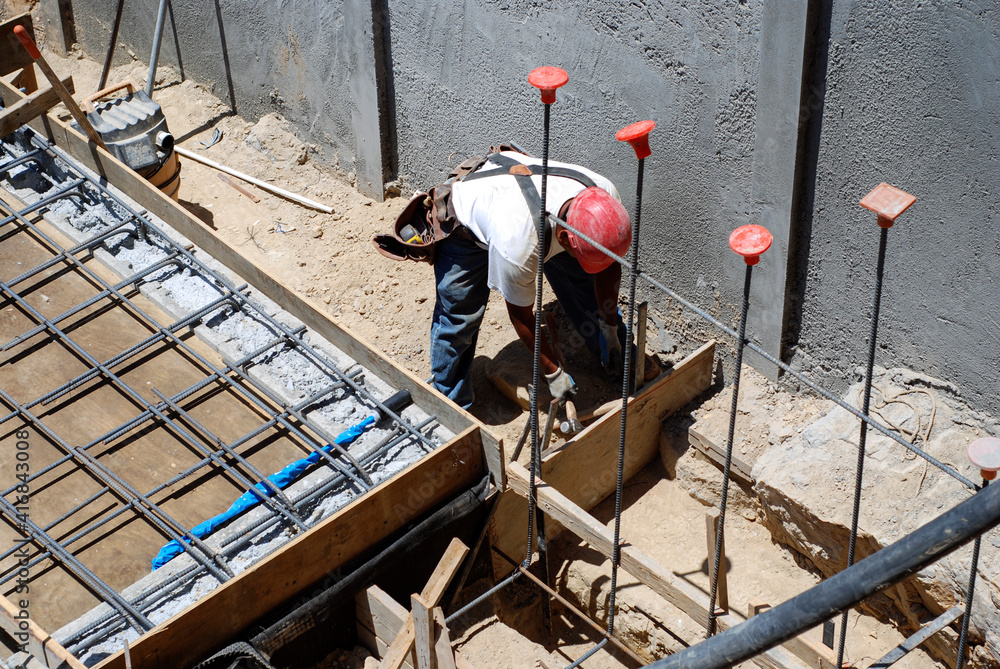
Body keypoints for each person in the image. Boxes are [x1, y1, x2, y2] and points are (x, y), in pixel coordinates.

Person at [378, 149, 632, 409]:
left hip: (533, 216)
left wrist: (609, 329)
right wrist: (552, 372)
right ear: (566, 239)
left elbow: (609, 266)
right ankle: (450, 405)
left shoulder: (605, 198)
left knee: (584, 286)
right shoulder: (519, 243)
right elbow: (521, 315)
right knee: (458, 317)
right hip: (466, 228)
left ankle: (616, 354)